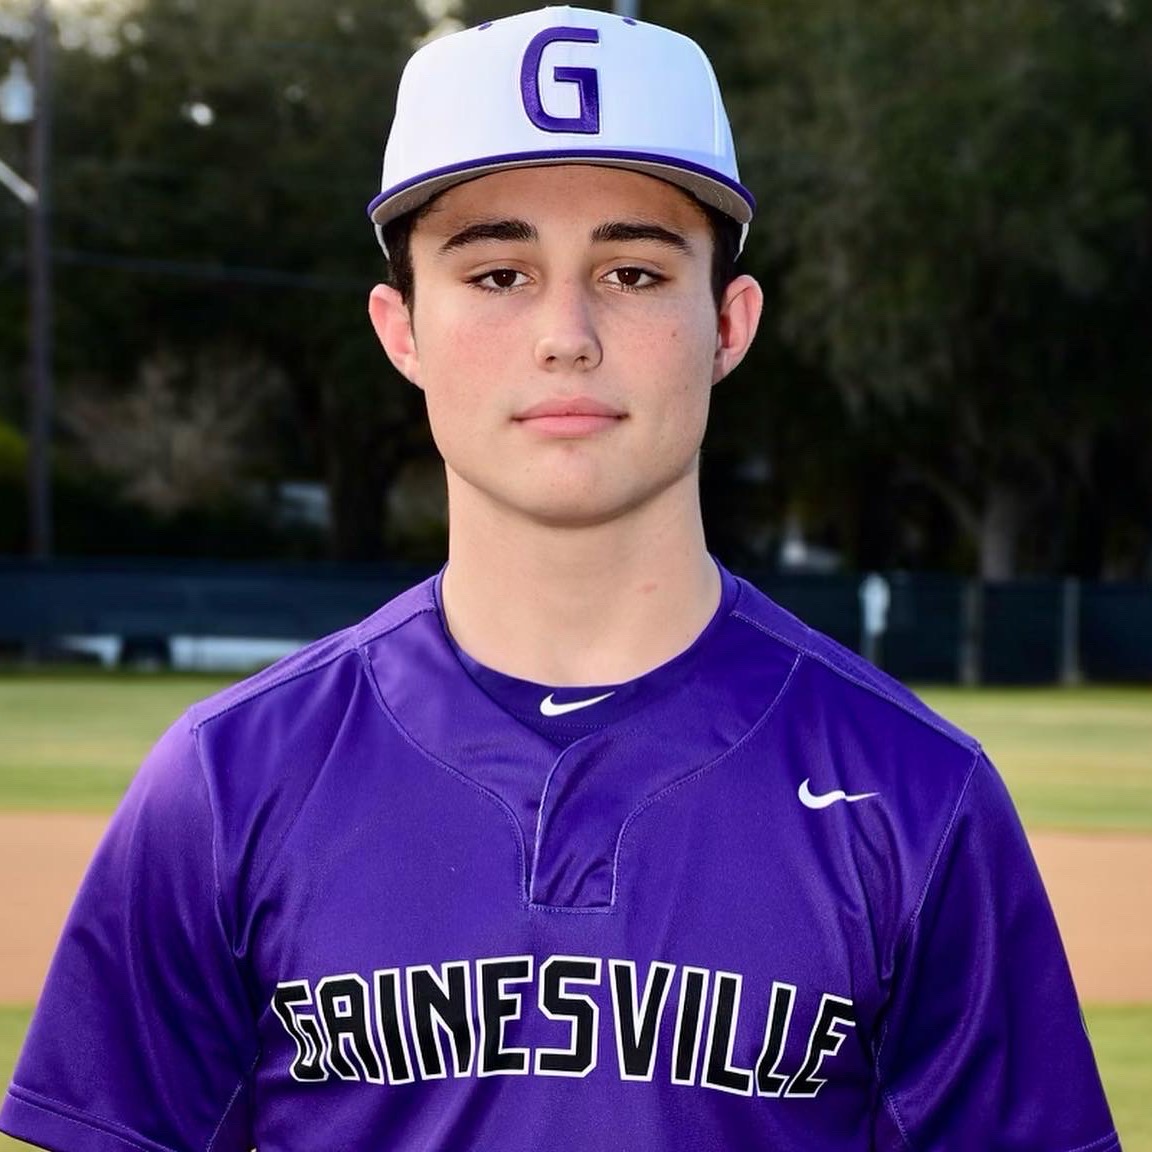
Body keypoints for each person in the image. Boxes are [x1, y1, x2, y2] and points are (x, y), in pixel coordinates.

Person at [1, 7, 1121, 1150]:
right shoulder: (224, 785)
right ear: (400, 328)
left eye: (633, 271)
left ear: (728, 325)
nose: (566, 334)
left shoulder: (915, 796)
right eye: (498, 273)